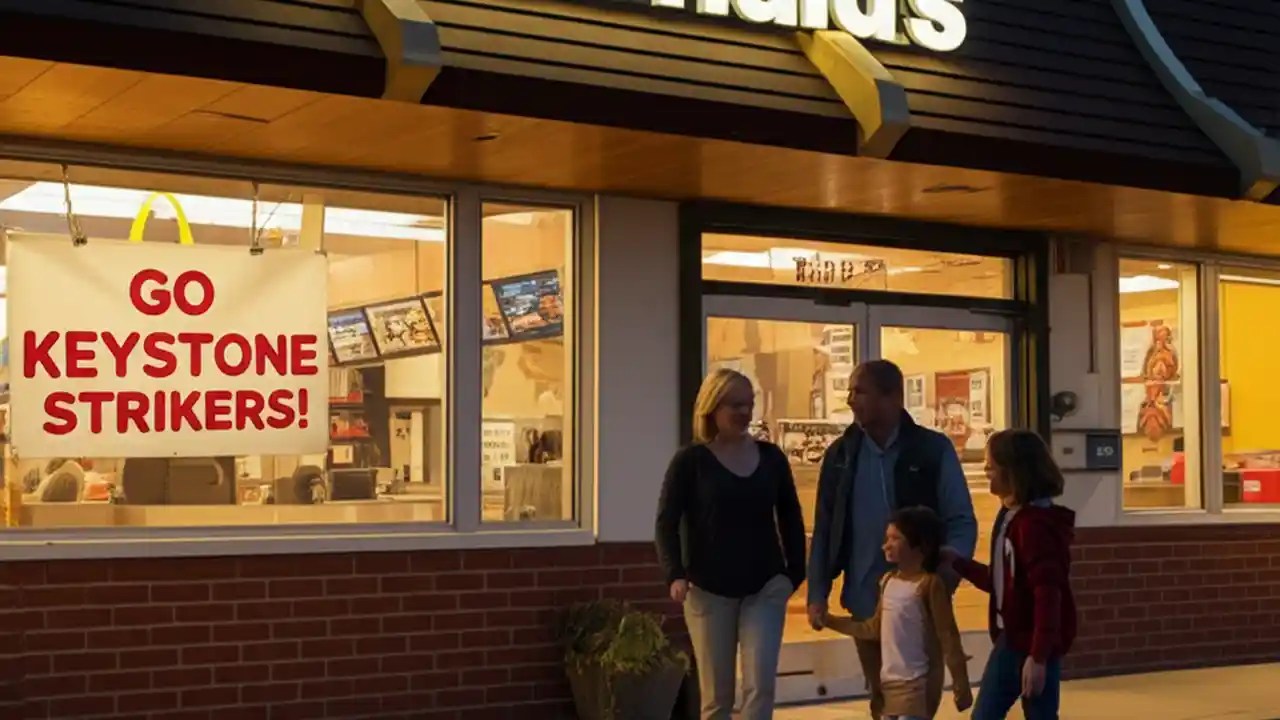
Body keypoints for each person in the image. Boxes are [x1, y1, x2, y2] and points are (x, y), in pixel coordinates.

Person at [806, 359, 977, 720]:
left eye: (860, 391)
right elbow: (825, 528)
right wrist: (817, 593)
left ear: (893, 397)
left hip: (919, 603)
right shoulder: (840, 455)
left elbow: (961, 519)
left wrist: (945, 575)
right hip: (865, 597)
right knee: (882, 699)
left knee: (918, 699)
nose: (850, 400)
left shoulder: (932, 450)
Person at [655, 368, 807, 720]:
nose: (744, 412)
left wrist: (793, 574)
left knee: (760, 686)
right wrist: (675, 574)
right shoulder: (690, 462)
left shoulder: (771, 458)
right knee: (716, 696)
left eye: (749, 404)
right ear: (712, 407)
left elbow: (790, 516)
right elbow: (666, 522)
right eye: (735, 404)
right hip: (708, 590)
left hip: (765, 587)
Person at [944, 429, 1076, 720]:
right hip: (1014, 638)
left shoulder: (1033, 527)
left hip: (1029, 643)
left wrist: (1038, 657)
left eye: (991, 466)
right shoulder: (1011, 518)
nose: (986, 471)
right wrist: (960, 564)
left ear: (1013, 471)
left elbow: (1047, 594)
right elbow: (1003, 583)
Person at [825, 506, 973, 720]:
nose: (886, 545)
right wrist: (829, 621)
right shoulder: (888, 582)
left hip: (918, 686)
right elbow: (872, 629)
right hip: (889, 685)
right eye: (887, 538)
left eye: (895, 539)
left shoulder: (929, 585)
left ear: (920, 546)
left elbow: (948, 636)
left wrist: (961, 683)